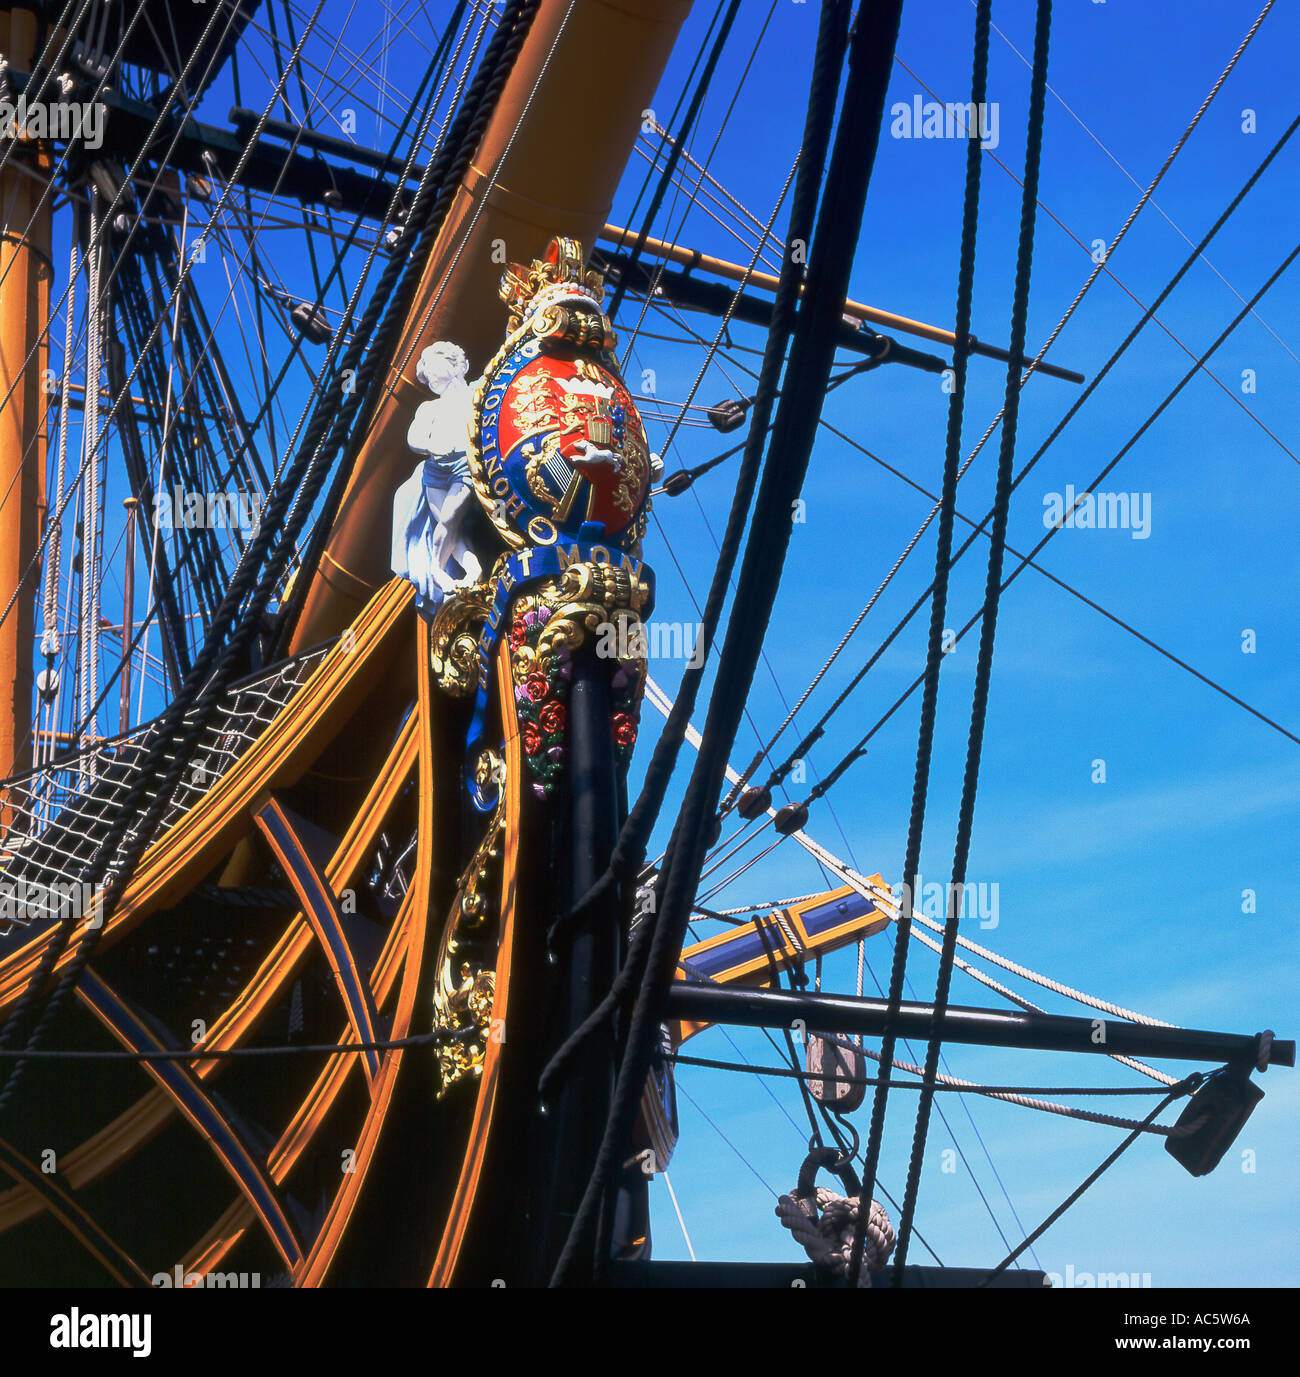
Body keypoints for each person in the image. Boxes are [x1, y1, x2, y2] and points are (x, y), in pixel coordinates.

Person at [391, 341, 483, 612]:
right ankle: (471, 568)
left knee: (448, 518)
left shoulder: (476, 394)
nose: (429, 377)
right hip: (435, 471)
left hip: (465, 466)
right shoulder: (429, 409)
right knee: (449, 526)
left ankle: (436, 570)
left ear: (456, 365)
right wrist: (430, 446)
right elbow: (413, 437)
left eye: (433, 368)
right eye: (426, 375)